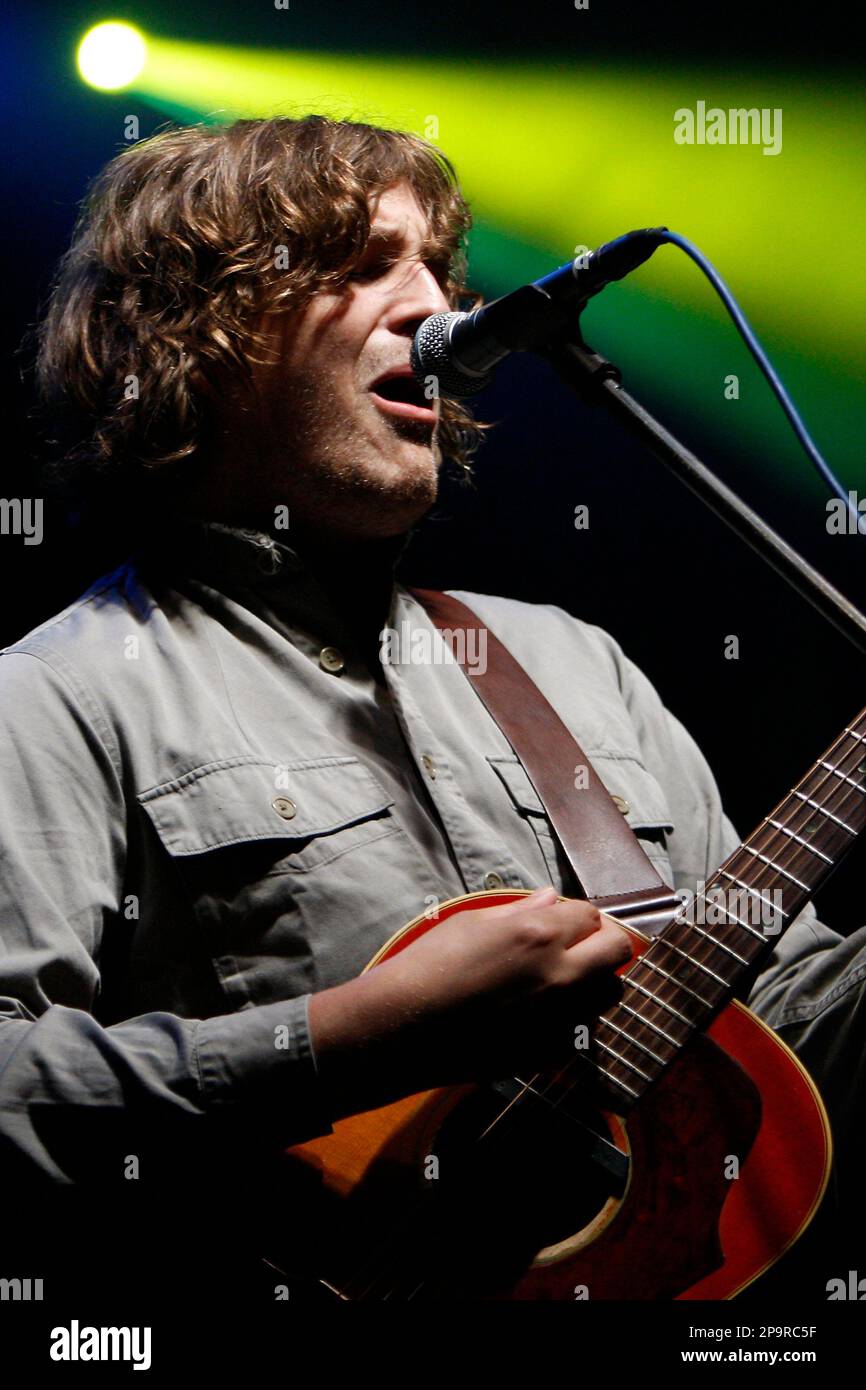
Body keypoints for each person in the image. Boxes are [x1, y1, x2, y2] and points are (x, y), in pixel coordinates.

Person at [1, 115, 862, 1299]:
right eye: (358, 267)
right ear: (194, 336)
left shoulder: (568, 663)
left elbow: (783, 1021)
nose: (430, 309)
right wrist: (355, 1036)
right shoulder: (57, 695)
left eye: (434, 271)